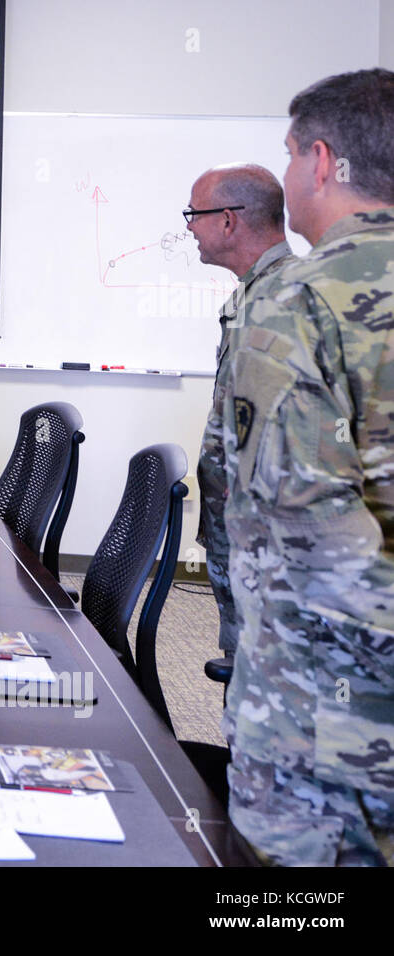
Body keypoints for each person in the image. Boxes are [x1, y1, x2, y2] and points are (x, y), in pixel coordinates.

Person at [220, 68, 394, 866]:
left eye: (289, 157)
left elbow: (318, 546)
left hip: (331, 728)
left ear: (321, 163)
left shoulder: (296, 302)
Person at [184, 163, 294, 659]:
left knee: (255, 670)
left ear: (228, 221)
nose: (188, 226)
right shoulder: (260, 292)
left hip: (264, 547)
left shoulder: (281, 300)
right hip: (242, 531)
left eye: (194, 214)